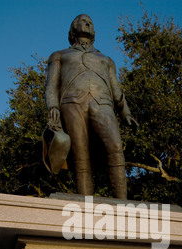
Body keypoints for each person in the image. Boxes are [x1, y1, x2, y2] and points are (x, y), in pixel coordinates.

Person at [45, 14, 138, 199]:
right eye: (82, 20)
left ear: (94, 31)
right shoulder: (59, 55)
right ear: (72, 29)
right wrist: (52, 107)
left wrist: (126, 112)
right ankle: (85, 206)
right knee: (81, 156)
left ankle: (122, 203)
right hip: (71, 103)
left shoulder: (107, 60)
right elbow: (51, 85)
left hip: (103, 103)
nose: (87, 23)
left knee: (115, 147)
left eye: (90, 22)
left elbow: (117, 91)